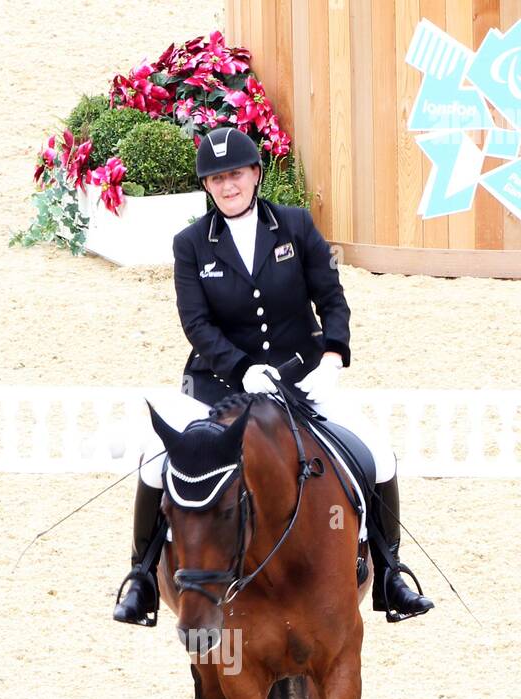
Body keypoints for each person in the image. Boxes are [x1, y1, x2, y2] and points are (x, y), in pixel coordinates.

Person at [113, 124, 433, 626]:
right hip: (217, 387)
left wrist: (331, 359)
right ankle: (141, 578)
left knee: (380, 455)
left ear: (256, 174)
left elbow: (332, 299)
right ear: (206, 186)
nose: (227, 185)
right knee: (156, 461)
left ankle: (391, 573)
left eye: (236, 173)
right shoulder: (191, 244)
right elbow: (196, 324)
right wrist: (242, 369)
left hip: (301, 384)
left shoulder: (296, 226)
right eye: (216, 178)